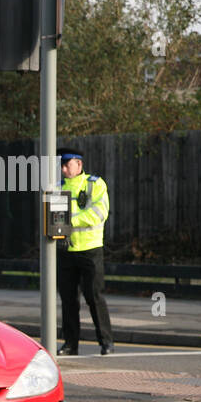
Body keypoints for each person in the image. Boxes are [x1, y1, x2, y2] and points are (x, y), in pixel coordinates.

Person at [56, 147, 114, 356]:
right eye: (61, 165)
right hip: (65, 250)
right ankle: (71, 344)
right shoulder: (57, 186)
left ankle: (106, 342)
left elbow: (99, 213)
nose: (63, 170)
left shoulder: (95, 184)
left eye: (67, 165)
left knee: (94, 296)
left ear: (79, 164)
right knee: (68, 300)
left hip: (90, 249)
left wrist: (69, 220)